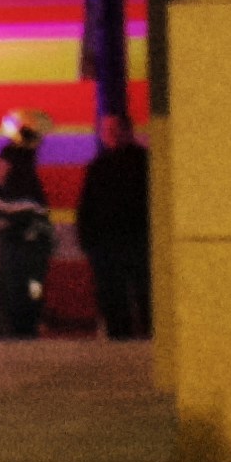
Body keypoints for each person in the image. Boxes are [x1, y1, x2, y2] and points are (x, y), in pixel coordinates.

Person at [0, 112, 57, 339]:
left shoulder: (9, 164)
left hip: (20, 240)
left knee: (19, 290)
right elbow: (28, 207)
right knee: (30, 289)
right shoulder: (16, 166)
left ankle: (23, 331)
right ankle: (28, 330)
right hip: (28, 242)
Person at [74, 120, 152, 341]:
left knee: (144, 293)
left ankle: (144, 338)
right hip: (109, 243)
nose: (111, 135)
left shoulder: (145, 163)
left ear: (129, 132)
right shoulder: (99, 165)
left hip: (136, 240)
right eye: (107, 131)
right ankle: (123, 339)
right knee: (113, 295)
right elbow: (86, 206)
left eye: (116, 130)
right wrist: (87, 239)